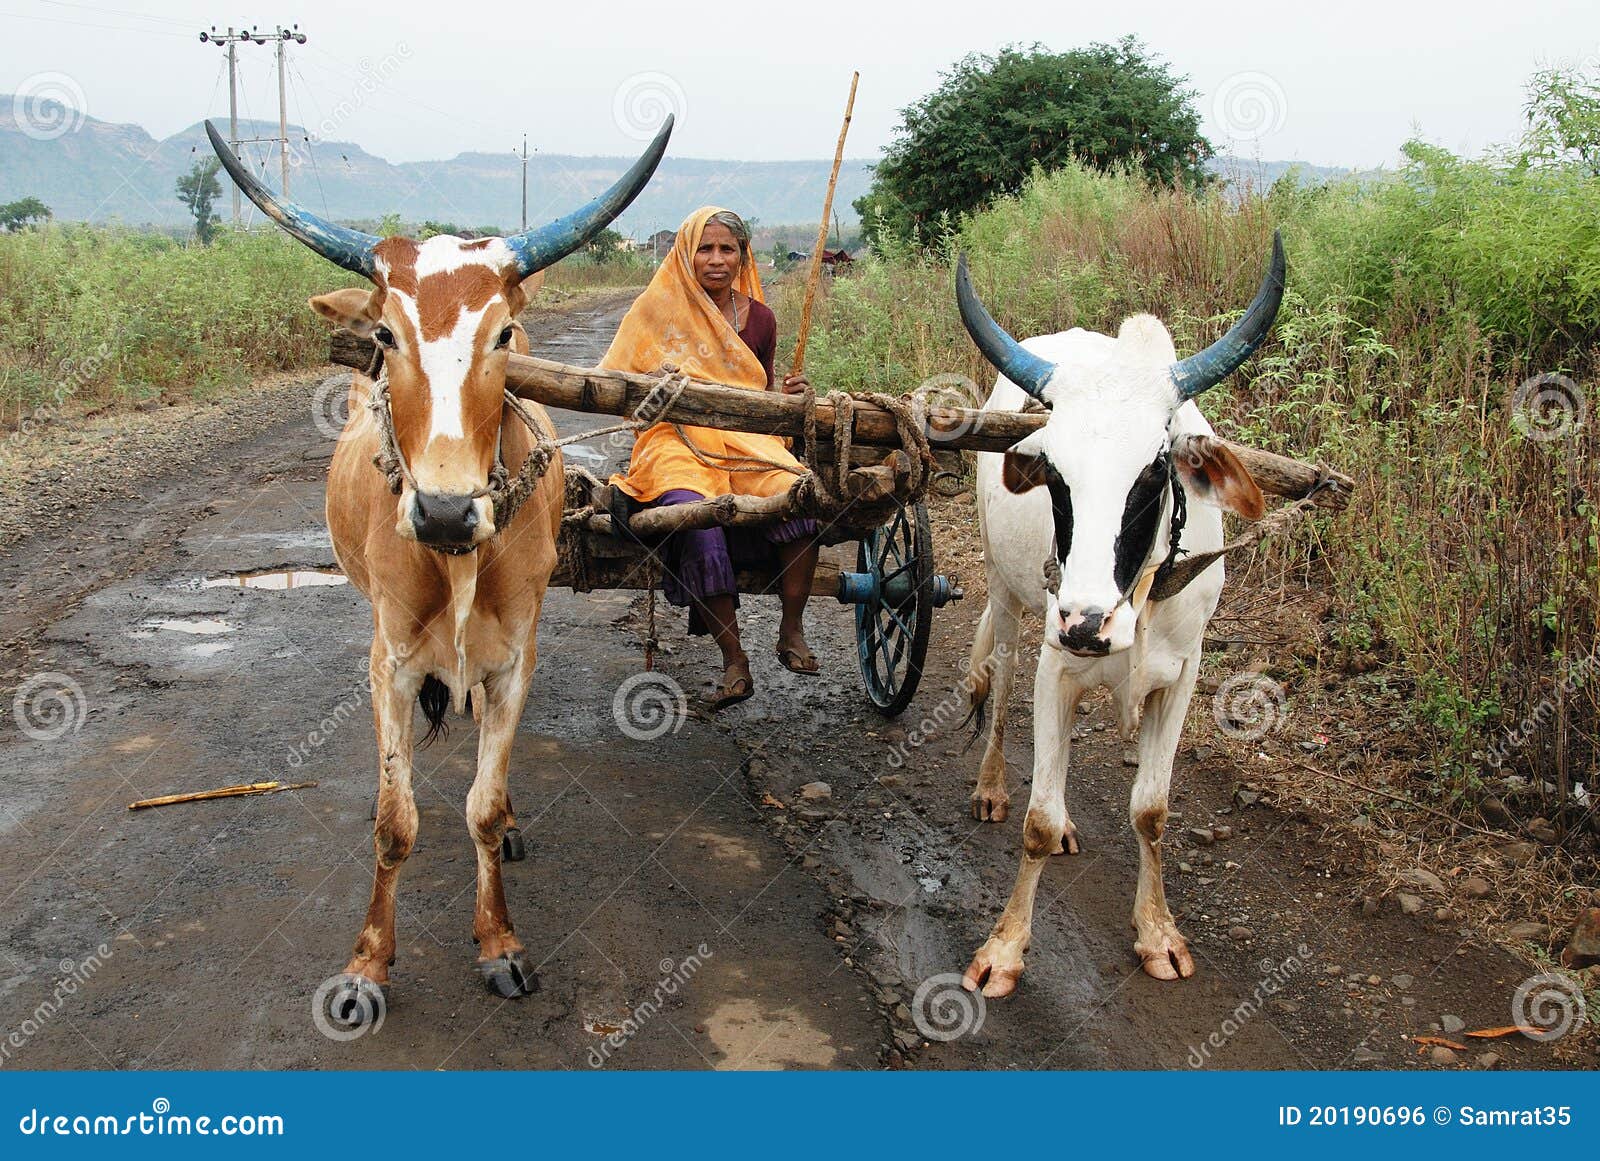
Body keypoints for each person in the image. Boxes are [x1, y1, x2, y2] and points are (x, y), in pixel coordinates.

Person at [604, 207, 821, 709]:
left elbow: (759, 391)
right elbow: (622, 394)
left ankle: (791, 630)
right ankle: (734, 659)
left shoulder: (761, 319)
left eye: (728, 249)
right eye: (706, 248)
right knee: (694, 515)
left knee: (801, 497)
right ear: (686, 254)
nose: (717, 260)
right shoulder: (654, 313)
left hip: (746, 440)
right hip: (674, 440)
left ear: (743, 257)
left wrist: (788, 396)